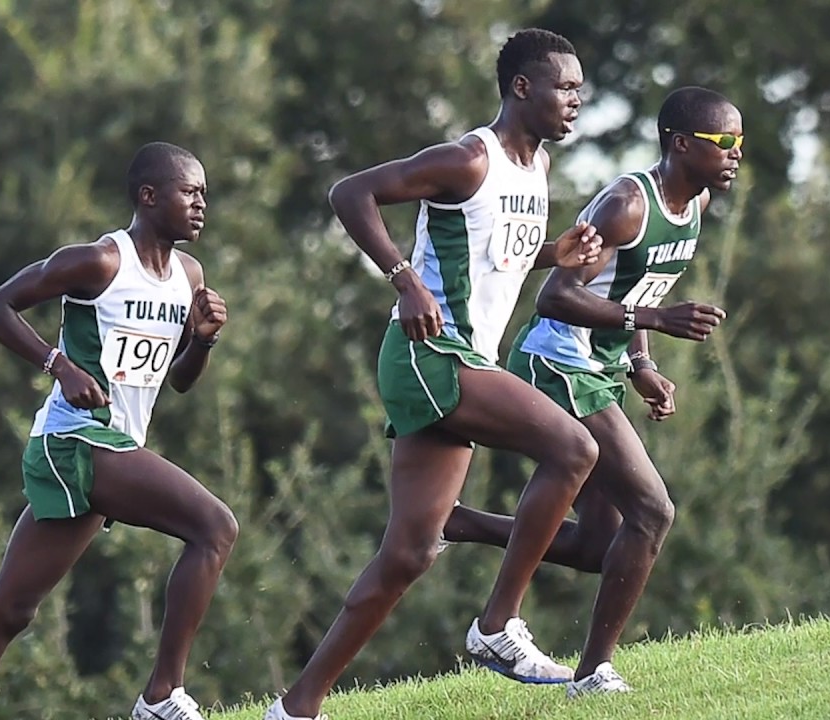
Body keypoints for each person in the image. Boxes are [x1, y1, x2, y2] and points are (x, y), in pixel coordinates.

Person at [265, 28, 603, 720]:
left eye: (579, 88)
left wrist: (550, 254)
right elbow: (350, 192)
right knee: (574, 448)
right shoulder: (469, 159)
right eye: (565, 87)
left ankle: (296, 708)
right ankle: (498, 625)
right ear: (521, 89)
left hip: (459, 360)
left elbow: (487, 260)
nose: (577, 100)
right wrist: (402, 280)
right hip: (429, 355)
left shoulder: (534, 169)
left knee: (409, 554)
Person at [440, 86, 744, 697]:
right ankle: (591, 672)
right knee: (654, 512)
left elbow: (636, 289)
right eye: (724, 143)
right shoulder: (628, 205)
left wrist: (639, 365)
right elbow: (556, 295)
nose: (736, 154)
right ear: (681, 144)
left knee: (597, 545)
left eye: (740, 143)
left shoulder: (699, 202)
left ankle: (457, 523)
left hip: (601, 370)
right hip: (557, 362)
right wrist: (653, 325)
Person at [0, 142, 238, 720]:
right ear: (148, 197)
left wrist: (202, 341)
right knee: (215, 527)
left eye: (205, 195)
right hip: (74, 441)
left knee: (10, 611)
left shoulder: (188, 276)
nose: (202, 204)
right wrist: (60, 365)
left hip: (116, 449)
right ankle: (160, 697)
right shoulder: (98, 262)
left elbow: (178, 383)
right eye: (189, 192)